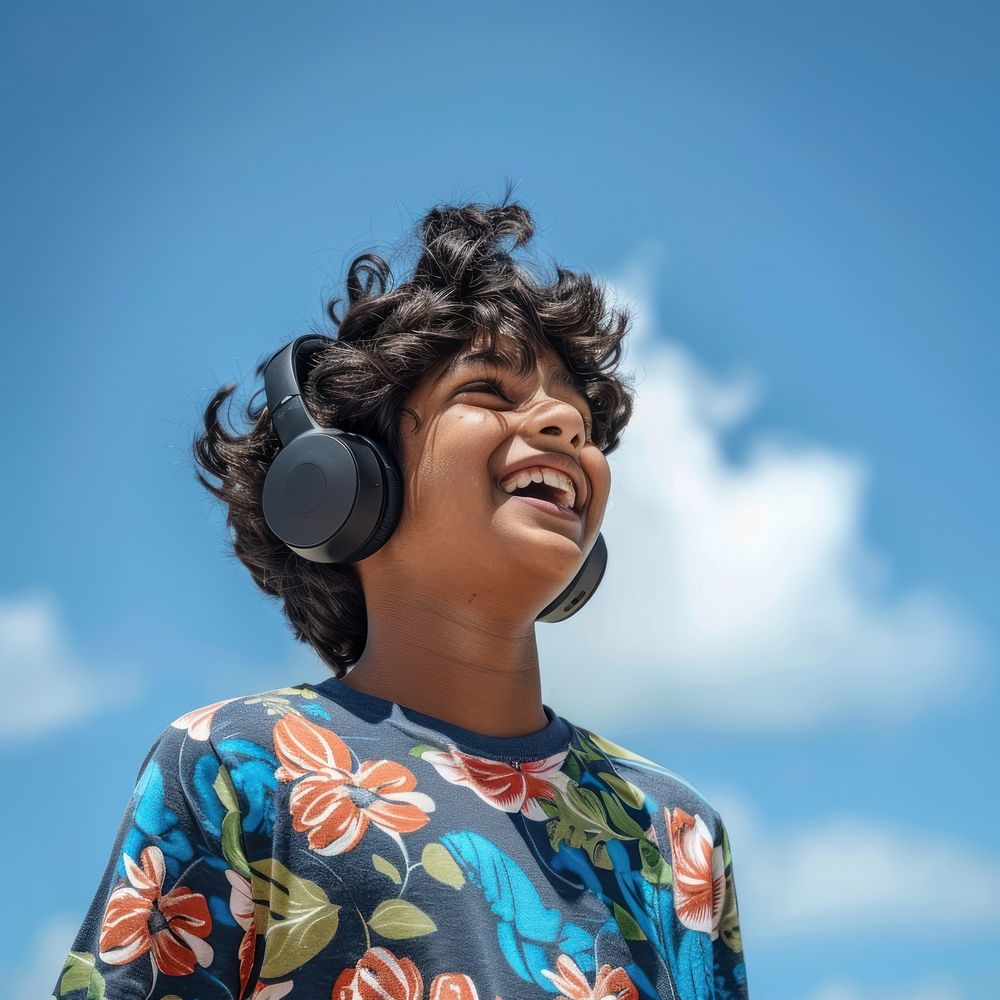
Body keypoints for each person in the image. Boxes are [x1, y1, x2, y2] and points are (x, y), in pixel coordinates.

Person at [52, 197, 751, 1000]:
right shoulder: (238, 766)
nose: (562, 421)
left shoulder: (676, 832)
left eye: (582, 419)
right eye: (489, 390)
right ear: (345, 482)